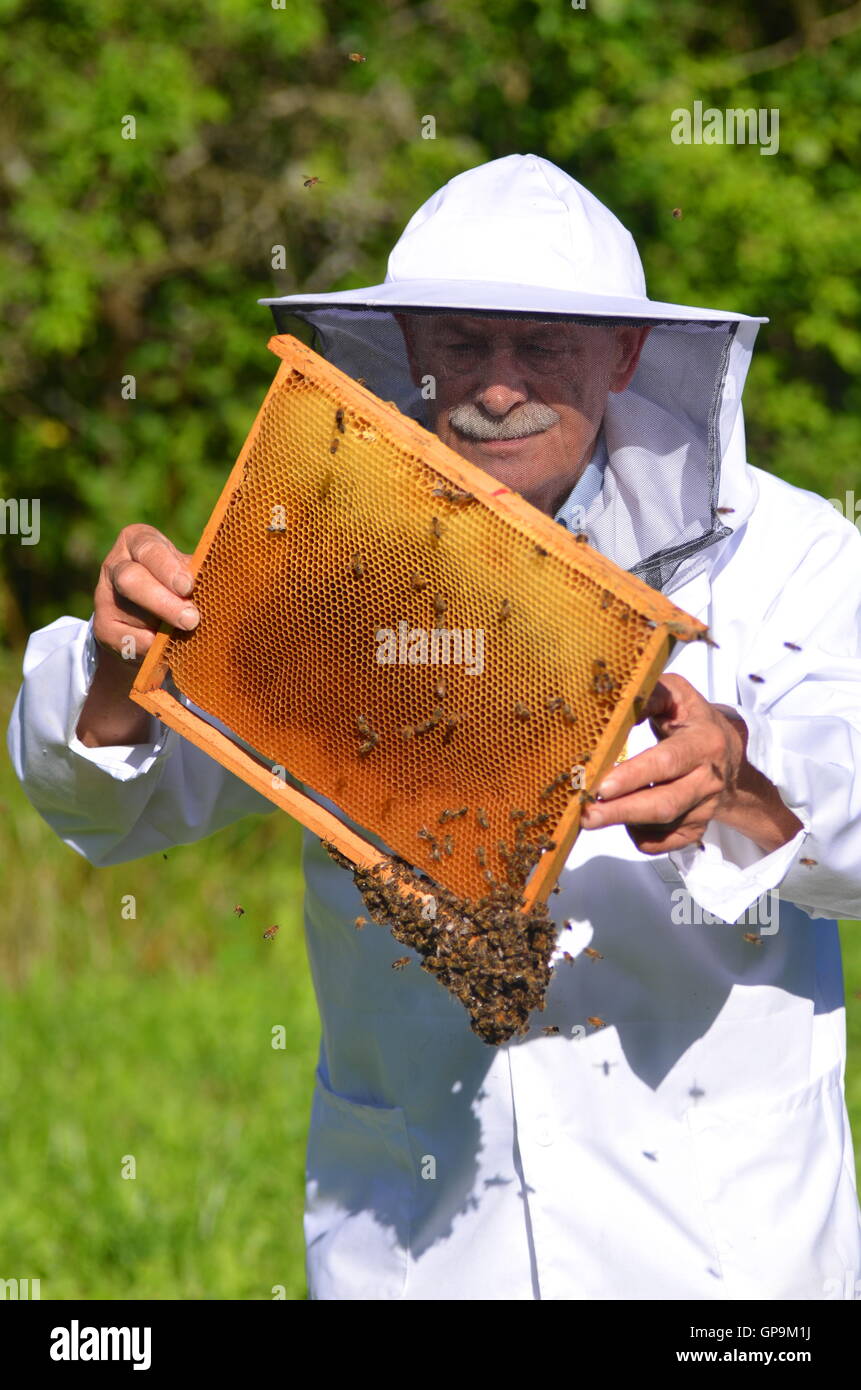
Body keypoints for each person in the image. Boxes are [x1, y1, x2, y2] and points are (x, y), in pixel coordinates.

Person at [8, 153, 861, 1301]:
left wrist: (741, 789)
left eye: (542, 345)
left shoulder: (789, 555)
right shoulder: (318, 551)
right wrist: (119, 665)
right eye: (461, 340)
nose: (496, 387)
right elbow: (108, 802)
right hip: (421, 1243)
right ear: (409, 350)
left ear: (624, 354)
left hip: (720, 1259)